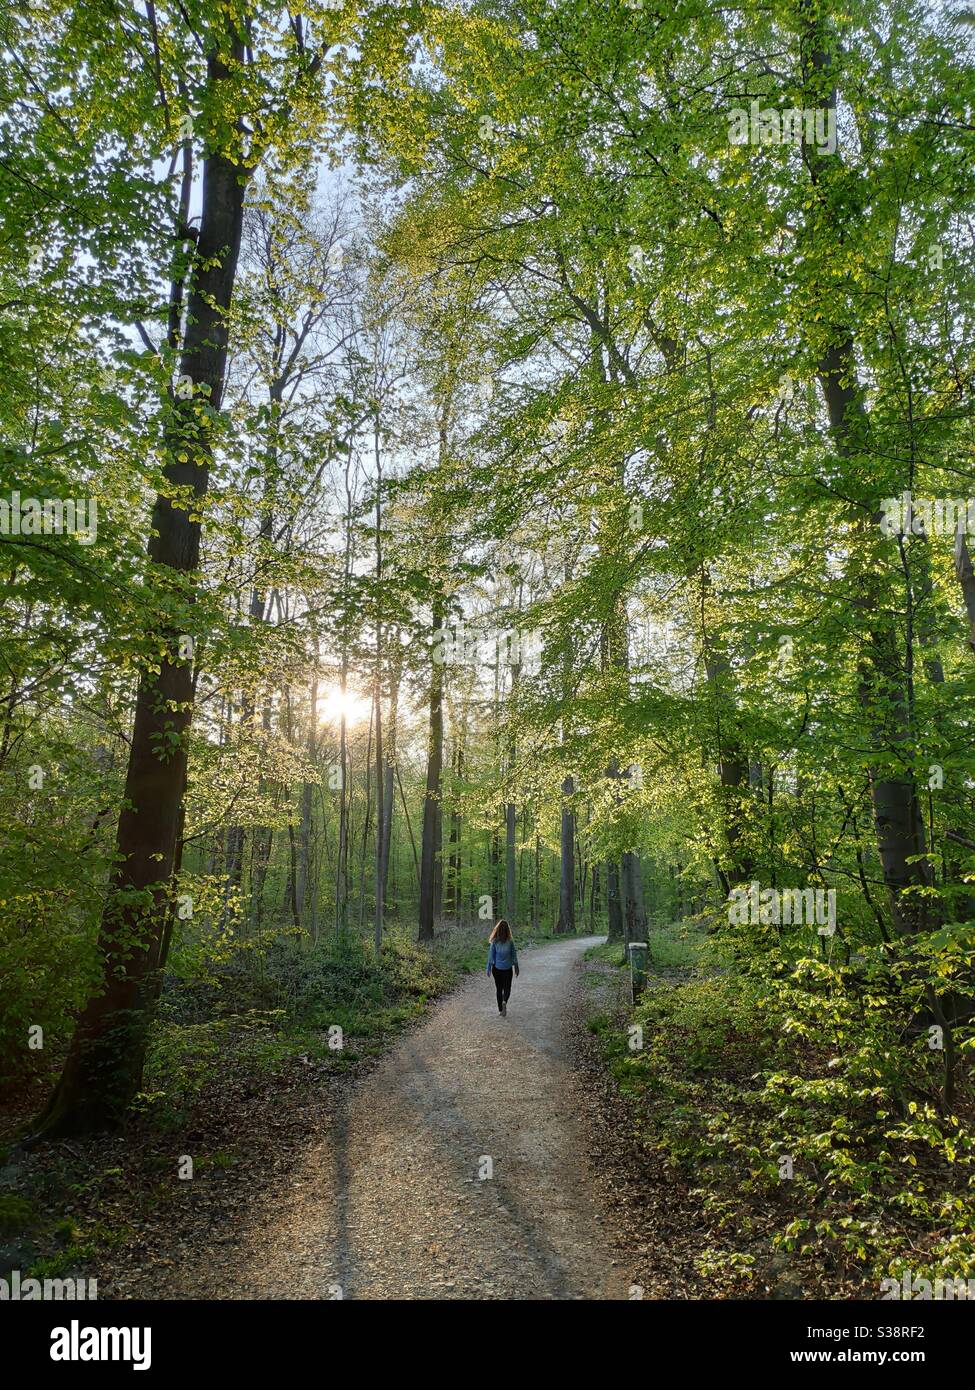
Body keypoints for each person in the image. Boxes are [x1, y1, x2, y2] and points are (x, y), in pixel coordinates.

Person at [486, 919, 519, 1016]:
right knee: (507, 988)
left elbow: (491, 956)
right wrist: (516, 967)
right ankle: (504, 1001)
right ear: (508, 930)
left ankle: (501, 1010)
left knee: (499, 989)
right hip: (507, 969)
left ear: (498, 929)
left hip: (497, 969)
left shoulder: (494, 942)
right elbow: (514, 955)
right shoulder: (510, 942)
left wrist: (488, 968)